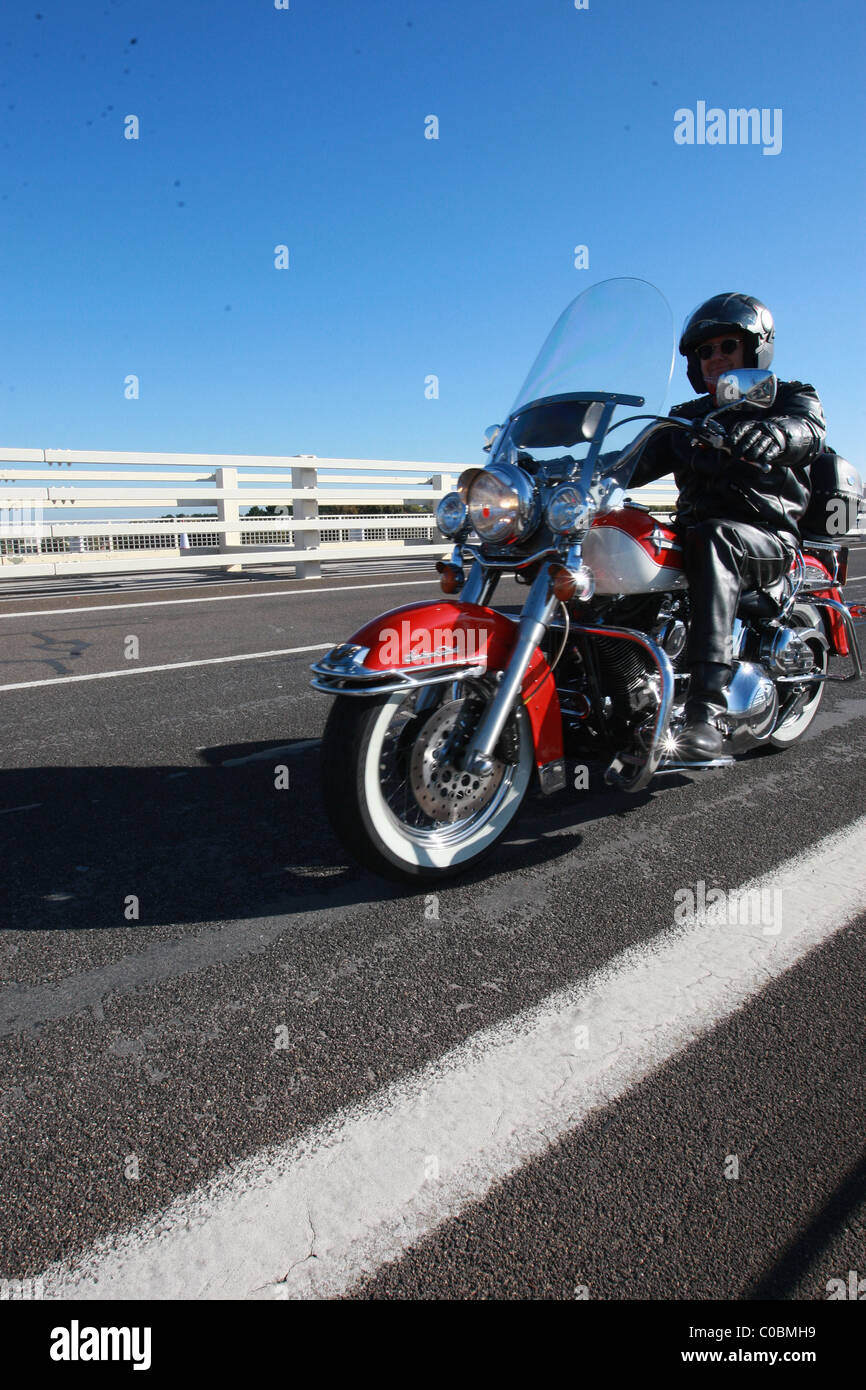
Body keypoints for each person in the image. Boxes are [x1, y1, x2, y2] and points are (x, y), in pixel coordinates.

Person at [624, 292, 826, 760]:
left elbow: (808, 429)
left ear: (755, 349)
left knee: (715, 536)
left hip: (765, 537)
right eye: (705, 351)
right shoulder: (685, 417)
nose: (715, 357)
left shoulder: (788, 397)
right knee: (615, 535)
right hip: (695, 533)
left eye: (727, 346)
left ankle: (706, 711)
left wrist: (776, 433)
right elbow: (633, 463)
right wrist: (570, 467)